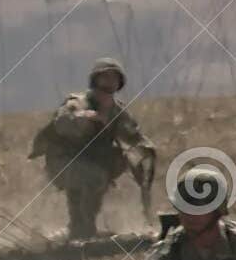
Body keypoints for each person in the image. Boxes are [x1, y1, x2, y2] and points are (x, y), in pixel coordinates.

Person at [29, 59, 154, 241]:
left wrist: (145, 150)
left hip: (89, 163)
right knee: (93, 177)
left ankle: (80, 230)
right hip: (62, 162)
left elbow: (133, 136)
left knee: (113, 164)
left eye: (114, 77)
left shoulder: (117, 111)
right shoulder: (78, 102)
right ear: (96, 79)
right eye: (106, 76)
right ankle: (83, 230)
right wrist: (84, 119)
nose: (110, 81)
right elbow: (62, 123)